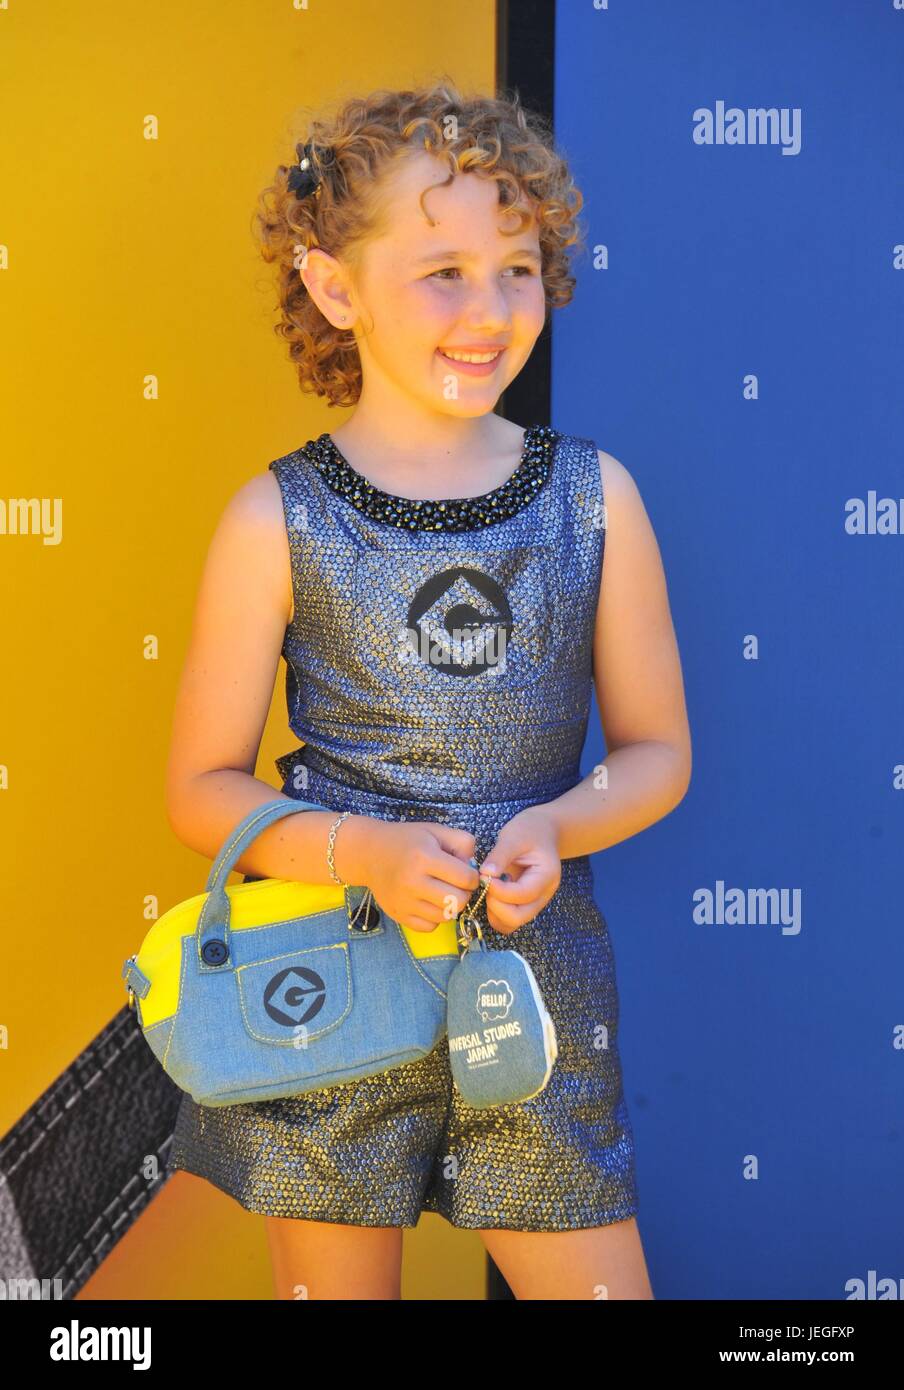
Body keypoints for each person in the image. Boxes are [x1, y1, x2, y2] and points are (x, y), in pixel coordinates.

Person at [165, 79, 691, 1300]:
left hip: (535, 985)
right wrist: (365, 851)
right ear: (335, 287)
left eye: (518, 267)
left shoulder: (594, 499)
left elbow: (657, 750)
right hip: (326, 985)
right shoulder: (272, 519)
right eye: (442, 270)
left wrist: (554, 827)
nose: (491, 307)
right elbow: (200, 789)